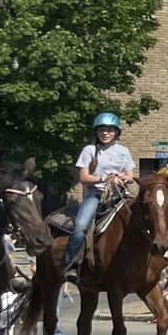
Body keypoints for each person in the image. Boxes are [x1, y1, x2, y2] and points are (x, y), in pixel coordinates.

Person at [61, 112, 137, 279]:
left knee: (144, 216)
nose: (105, 133)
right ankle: (71, 264)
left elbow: (130, 175)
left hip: (119, 195)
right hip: (95, 195)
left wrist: (125, 178)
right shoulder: (89, 150)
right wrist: (105, 178)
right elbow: (83, 177)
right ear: (97, 131)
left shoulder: (123, 151)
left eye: (110, 130)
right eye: (102, 130)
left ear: (117, 132)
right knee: (81, 227)